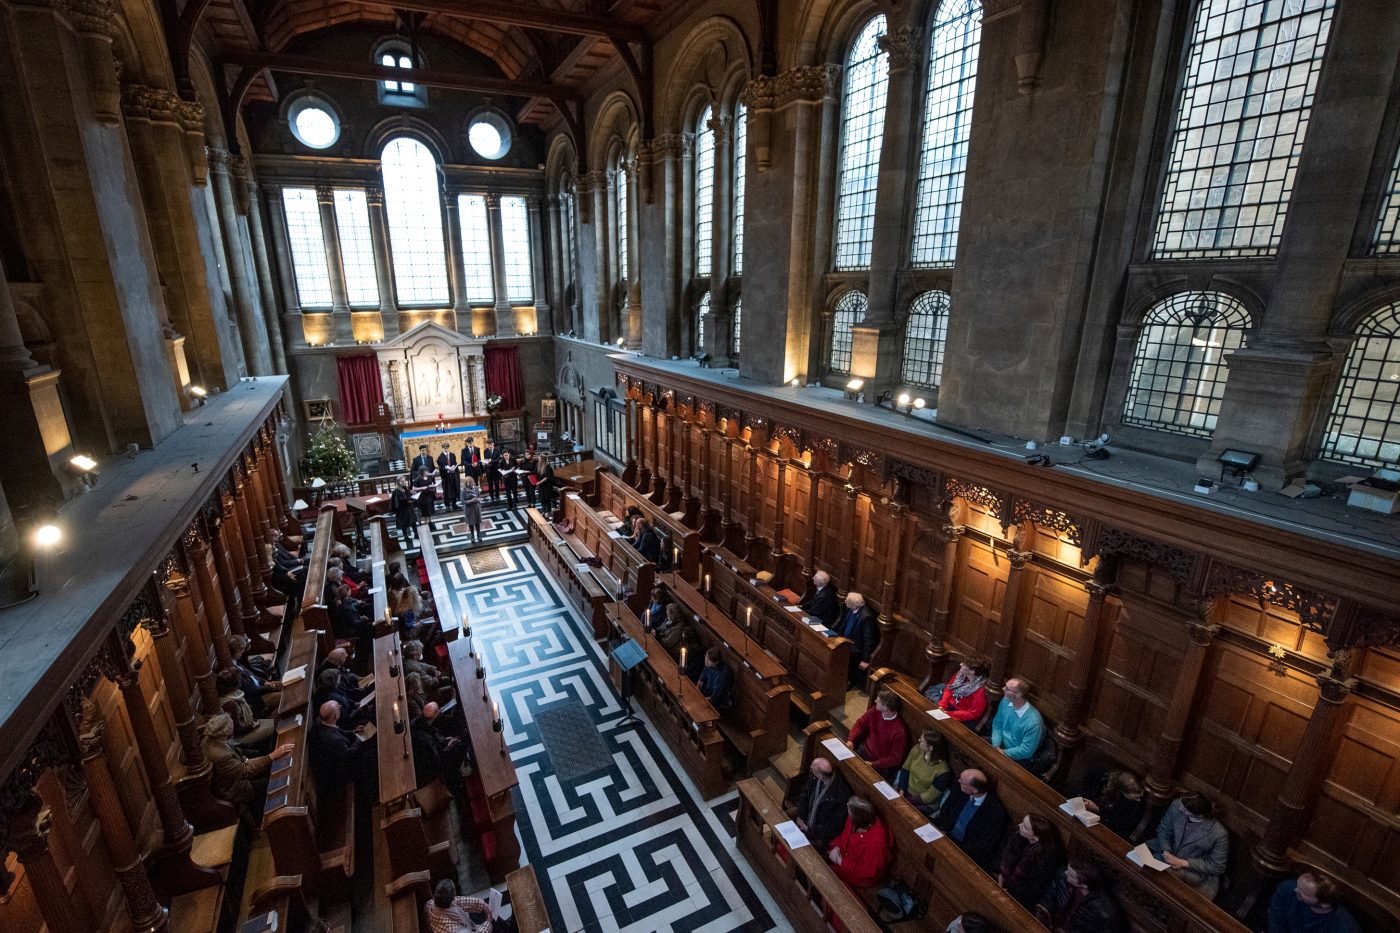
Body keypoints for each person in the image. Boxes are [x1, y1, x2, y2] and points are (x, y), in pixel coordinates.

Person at [202, 713, 293, 812]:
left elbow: (239, 759)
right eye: (231, 725)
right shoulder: (221, 756)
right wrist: (271, 756)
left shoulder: (212, 738)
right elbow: (245, 772)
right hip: (231, 788)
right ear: (226, 731)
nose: (233, 726)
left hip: (235, 773)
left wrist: (255, 760)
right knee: (274, 782)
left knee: (271, 767)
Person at [1150, 792, 1229, 900]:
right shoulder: (1177, 805)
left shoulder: (1218, 833)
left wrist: (1182, 863)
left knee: (1165, 887)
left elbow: (1217, 866)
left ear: (1199, 815)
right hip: (1163, 856)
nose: (1180, 808)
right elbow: (1164, 830)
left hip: (1193, 872)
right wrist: (1166, 851)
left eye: (1185, 809)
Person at [933, 769, 1010, 873]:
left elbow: (985, 844)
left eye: (962, 781)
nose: (959, 781)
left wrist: (955, 846)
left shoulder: (996, 812)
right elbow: (946, 810)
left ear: (974, 790)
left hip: (966, 852)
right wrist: (943, 831)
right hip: (945, 834)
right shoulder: (960, 790)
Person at [1036, 858, 1124, 933]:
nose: (1066, 872)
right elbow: (1050, 896)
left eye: (1070, 875)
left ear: (1084, 885)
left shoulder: (1106, 913)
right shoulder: (1063, 876)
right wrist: (1043, 914)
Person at [999, 814, 1065, 910]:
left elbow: (1032, 889)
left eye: (1025, 827)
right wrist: (1001, 877)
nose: (1019, 825)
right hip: (1006, 885)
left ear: (1036, 837)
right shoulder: (1018, 837)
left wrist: (1008, 891)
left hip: (1021, 900)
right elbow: (1005, 858)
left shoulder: (1044, 858)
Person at [784, 757, 851, 850]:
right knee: (782, 817)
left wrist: (809, 830)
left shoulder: (841, 795)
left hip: (819, 835)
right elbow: (804, 795)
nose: (810, 770)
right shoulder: (815, 777)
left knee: (797, 849)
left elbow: (833, 827)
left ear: (821, 776)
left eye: (812, 769)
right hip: (806, 818)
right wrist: (800, 816)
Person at [308, 700, 374, 793]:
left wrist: (354, 732)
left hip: (337, 757)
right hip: (338, 774)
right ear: (335, 716)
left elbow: (339, 731)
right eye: (339, 708)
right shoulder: (334, 740)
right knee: (370, 756)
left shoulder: (320, 721)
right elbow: (350, 755)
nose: (340, 707)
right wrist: (360, 738)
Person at [827, 796, 891, 892]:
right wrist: (836, 846)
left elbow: (868, 871)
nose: (848, 813)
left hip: (859, 875)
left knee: (826, 876)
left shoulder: (876, 842)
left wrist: (842, 862)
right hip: (845, 858)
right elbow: (844, 836)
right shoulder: (854, 819)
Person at [847, 687, 911, 781]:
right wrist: (850, 739)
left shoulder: (899, 731)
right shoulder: (874, 711)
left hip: (880, 764)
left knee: (860, 780)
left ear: (885, 708)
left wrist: (874, 764)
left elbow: (895, 758)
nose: (875, 701)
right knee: (847, 766)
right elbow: (860, 724)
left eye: (878, 701)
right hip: (865, 750)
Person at [1268, 872, 1359, 933]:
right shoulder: (1287, 888)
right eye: (1298, 884)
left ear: (1324, 904)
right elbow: (1275, 920)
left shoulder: (1345, 927)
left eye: (1304, 892)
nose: (1295, 890)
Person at [425, 877, 515, 933]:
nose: (455, 898)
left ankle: (505, 927)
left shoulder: (432, 903)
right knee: (492, 921)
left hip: (463, 927)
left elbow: (459, 901)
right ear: (451, 898)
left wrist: (483, 905)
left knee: (490, 915)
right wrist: (488, 923)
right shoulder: (451, 929)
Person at [989, 677, 1045, 766]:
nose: (1003, 689)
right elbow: (997, 724)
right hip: (1000, 745)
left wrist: (1002, 752)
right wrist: (996, 745)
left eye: (1007, 689)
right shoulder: (1005, 701)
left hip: (1017, 757)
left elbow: (1026, 751)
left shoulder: (1034, 722)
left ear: (1018, 694)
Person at [217, 668, 275, 753]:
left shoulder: (233, 695)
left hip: (248, 725)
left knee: (277, 716)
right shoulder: (230, 704)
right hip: (240, 737)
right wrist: (252, 726)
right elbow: (237, 730)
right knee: (277, 724)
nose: (241, 682)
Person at [895, 729, 951, 814]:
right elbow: (905, 769)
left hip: (924, 803)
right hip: (906, 792)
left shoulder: (943, 771)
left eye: (922, 741)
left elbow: (930, 796)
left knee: (902, 812)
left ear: (931, 748)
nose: (919, 740)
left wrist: (905, 801)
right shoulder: (917, 749)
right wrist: (902, 790)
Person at [1081, 769, 1147, 841]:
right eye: (1136, 797)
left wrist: (1096, 809)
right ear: (1123, 792)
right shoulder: (1106, 787)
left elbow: (1116, 823)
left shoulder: (1133, 805)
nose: (1139, 800)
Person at [228, 634, 282, 718]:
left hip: (260, 687)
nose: (243, 652)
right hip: (257, 698)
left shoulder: (236, 662)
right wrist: (270, 688)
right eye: (241, 650)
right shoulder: (233, 671)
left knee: (283, 684)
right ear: (236, 651)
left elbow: (252, 676)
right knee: (282, 697)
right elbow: (250, 691)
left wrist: (264, 682)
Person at [832, 591, 879, 687]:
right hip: (845, 640)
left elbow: (868, 639)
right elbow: (843, 625)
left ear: (854, 604)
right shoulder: (850, 609)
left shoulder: (866, 617)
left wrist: (865, 660)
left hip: (856, 647)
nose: (845, 601)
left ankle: (848, 681)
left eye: (847, 601)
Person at [926, 656, 990, 725]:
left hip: (961, 714)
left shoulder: (980, 690)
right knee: (932, 691)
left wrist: (949, 714)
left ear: (972, 671)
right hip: (949, 705)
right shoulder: (960, 674)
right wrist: (942, 705)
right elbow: (949, 689)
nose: (960, 664)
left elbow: (973, 713)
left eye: (964, 665)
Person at [695, 646, 733, 711]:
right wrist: (696, 692)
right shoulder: (708, 665)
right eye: (706, 657)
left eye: (709, 660)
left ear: (716, 662)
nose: (706, 661)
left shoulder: (722, 674)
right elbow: (701, 680)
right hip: (707, 693)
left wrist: (699, 703)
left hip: (718, 701)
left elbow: (714, 697)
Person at [391, 476, 419, 547]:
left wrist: (412, 495)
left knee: (413, 521)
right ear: (398, 482)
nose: (404, 483)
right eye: (402, 482)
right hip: (402, 510)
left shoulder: (405, 488)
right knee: (404, 523)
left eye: (404, 481)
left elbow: (408, 496)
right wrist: (406, 501)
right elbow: (397, 502)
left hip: (409, 508)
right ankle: (406, 536)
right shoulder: (396, 491)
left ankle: (416, 534)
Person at [461, 475, 484, 544]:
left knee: (477, 521)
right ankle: (472, 535)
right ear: (466, 483)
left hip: (476, 507)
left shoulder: (476, 488)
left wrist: (478, 500)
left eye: (472, 483)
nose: (471, 484)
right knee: (471, 523)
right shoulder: (463, 491)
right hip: (469, 508)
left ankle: (479, 534)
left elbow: (479, 497)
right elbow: (463, 501)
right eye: (469, 483)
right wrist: (471, 501)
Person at [437, 442, 461, 510]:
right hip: (446, 477)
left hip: (453, 475)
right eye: (445, 448)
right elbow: (441, 467)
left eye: (447, 448)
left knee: (454, 489)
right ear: (442, 448)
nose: (446, 449)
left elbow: (455, 463)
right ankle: (447, 505)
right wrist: (447, 470)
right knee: (446, 491)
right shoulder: (440, 457)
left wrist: (453, 467)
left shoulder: (452, 455)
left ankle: (454, 504)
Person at [482, 438, 500, 502]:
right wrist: (486, 462)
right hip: (489, 470)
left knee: (496, 483)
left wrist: (491, 460)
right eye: (489, 444)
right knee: (490, 484)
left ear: (493, 444)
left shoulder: (497, 450)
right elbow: (486, 459)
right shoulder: (485, 451)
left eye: (491, 444)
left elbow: (498, 460)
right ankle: (492, 496)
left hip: (495, 469)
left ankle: (497, 495)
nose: (490, 445)